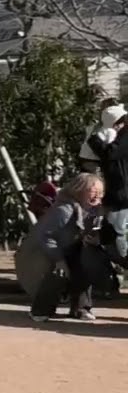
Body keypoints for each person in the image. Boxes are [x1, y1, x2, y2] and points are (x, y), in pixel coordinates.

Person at [14, 173, 103, 322]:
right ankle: (40, 310)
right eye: (93, 191)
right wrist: (59, 259)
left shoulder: (93, 211)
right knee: (59, 271)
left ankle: (81, 308)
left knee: (87, 262)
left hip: (69, 250)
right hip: (41, 254)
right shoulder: (64, 210)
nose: (98, 196)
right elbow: (46, 237)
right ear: (79, 190)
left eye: (100, 192)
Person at [87, 107, 128, 264]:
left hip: (122, 194)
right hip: (117, 193)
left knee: (117, 232)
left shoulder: (125, 136)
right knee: (111, 231)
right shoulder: (120, 135)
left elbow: (110, 154)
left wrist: (95, 141)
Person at [77, 99, 124, 173]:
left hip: (86, 159)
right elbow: (110, 151)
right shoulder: (109, 131)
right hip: (94, 162)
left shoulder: (96, 127)